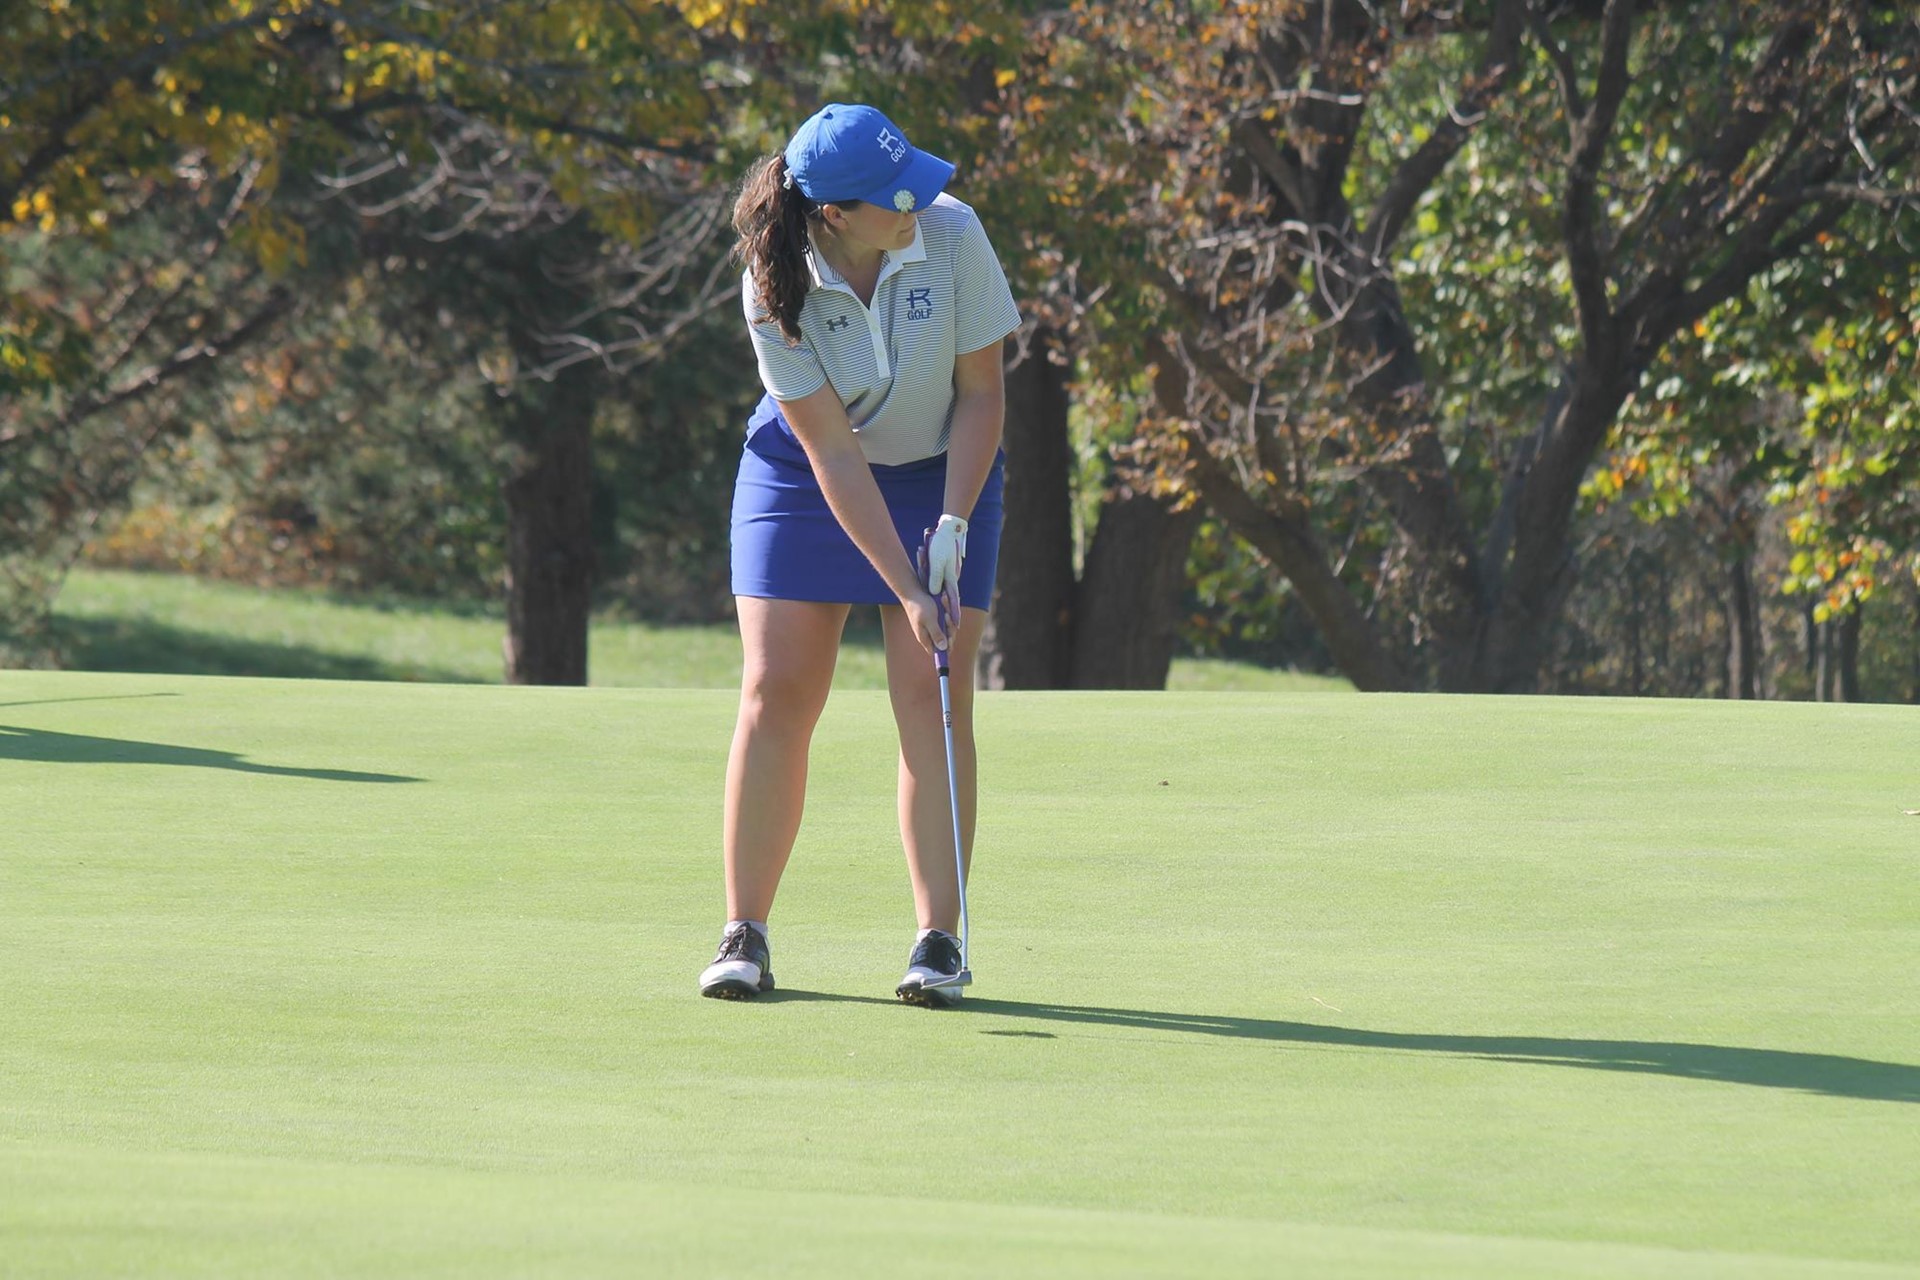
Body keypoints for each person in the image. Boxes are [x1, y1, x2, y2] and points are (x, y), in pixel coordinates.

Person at [697, 103, 1022, 1007]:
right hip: (806, 473)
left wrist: (953, 524)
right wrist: (906, 589)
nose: (918, 200)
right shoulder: (774, 283)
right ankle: (744, 932)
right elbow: (833, 456)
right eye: (894, 194)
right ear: (834, 214)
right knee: (777, 689)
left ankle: (938, 940)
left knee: (933, 694)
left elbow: (983, 392)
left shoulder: (952, 234)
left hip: (942, 469)